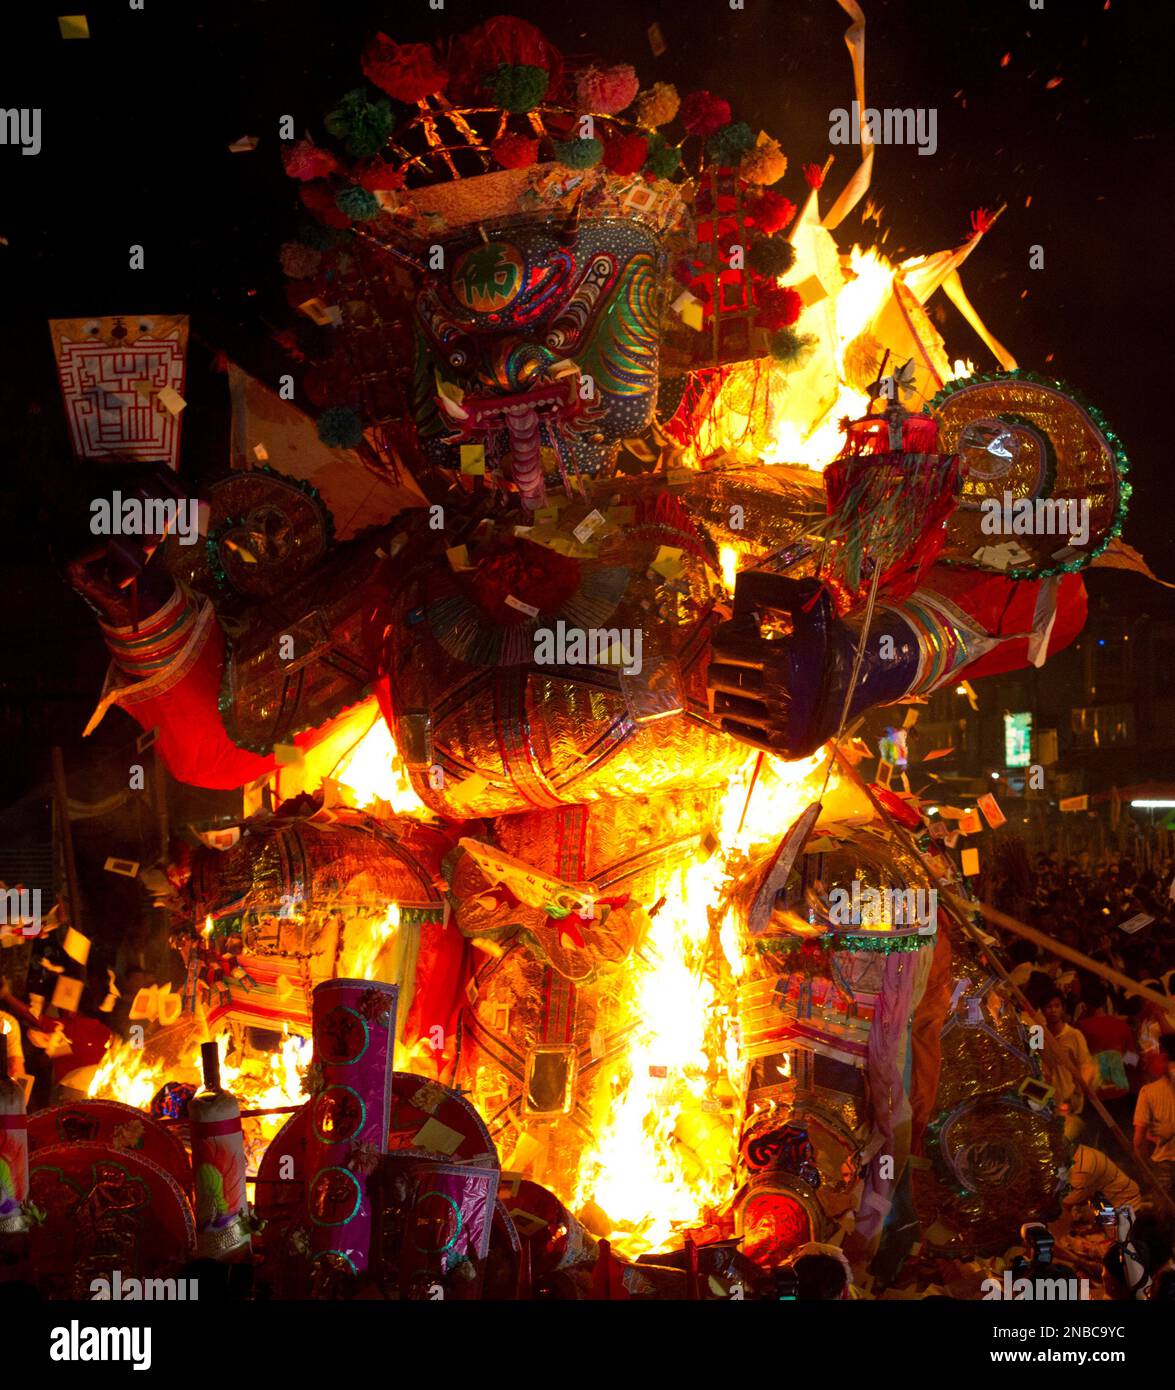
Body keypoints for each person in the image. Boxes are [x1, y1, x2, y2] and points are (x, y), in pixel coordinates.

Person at [1042, 991, 1097, 1141]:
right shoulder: (1038, 1035)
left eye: (1056, 1006)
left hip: (1069, 1101)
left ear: (1063, 1009)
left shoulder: (1074, 1035)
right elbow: (1035, 1066)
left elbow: (1086, 1065)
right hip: (1048, 1101)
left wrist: (1078, 1092)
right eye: (1048, 1006)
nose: (1053, 1010)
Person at [1134, 1034, 1175, 1198]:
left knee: (1164, 1215)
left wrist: (1145, 1171)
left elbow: (1138, 1140)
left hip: (1162, 1167)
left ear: (1163, 1056)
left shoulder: (1149, 1091)